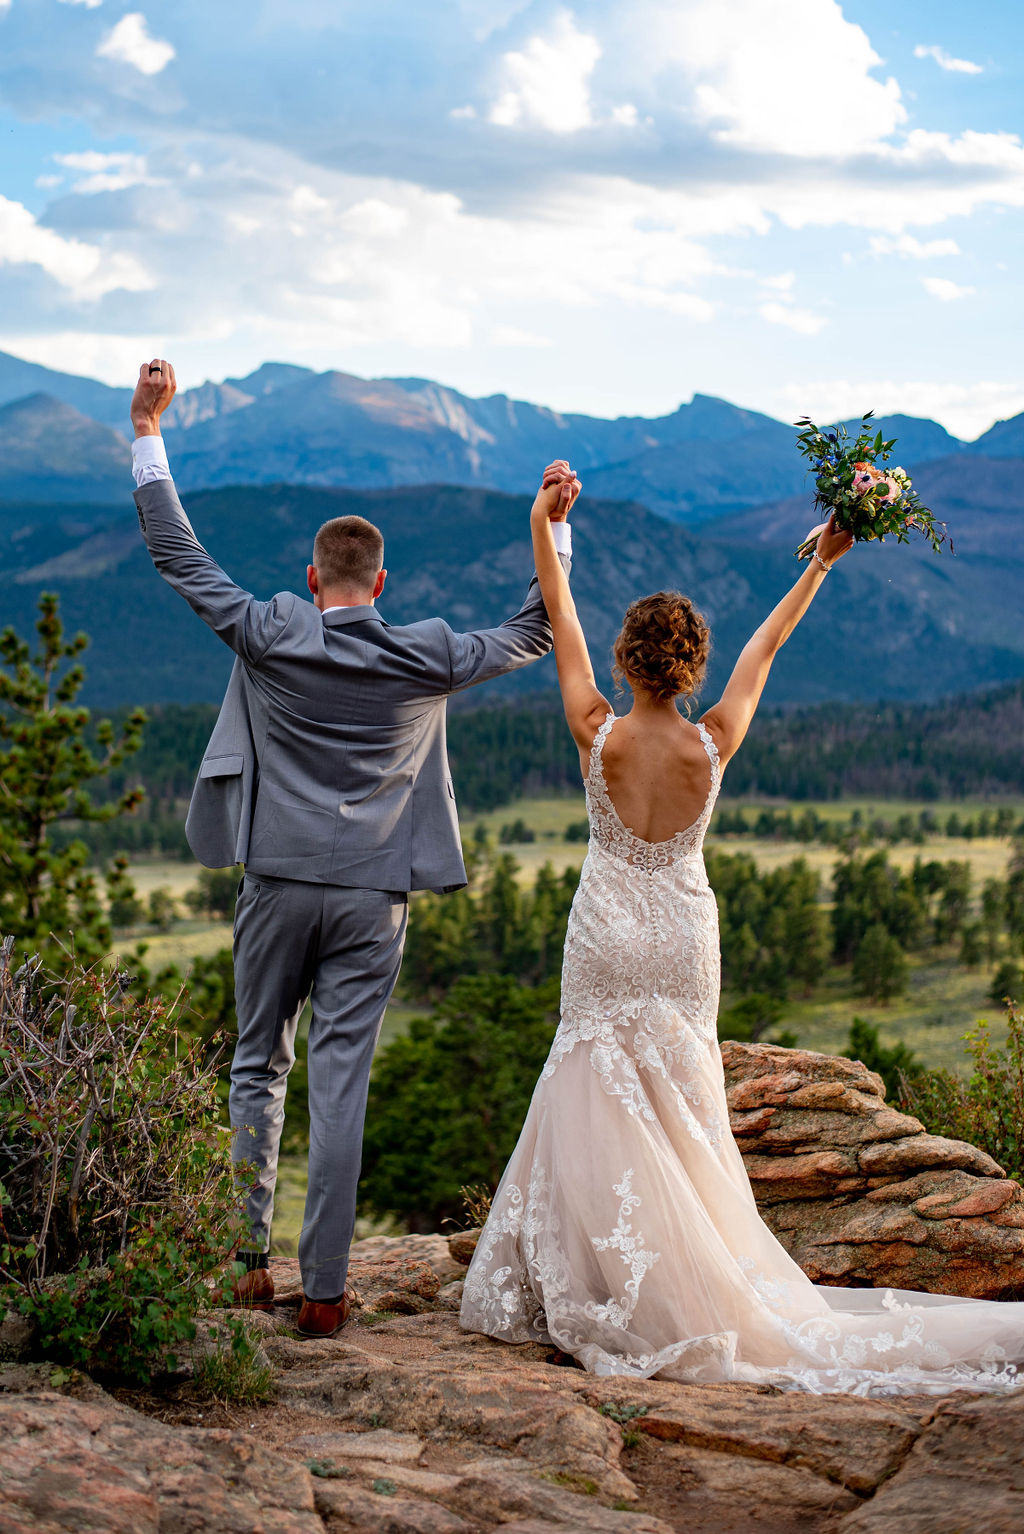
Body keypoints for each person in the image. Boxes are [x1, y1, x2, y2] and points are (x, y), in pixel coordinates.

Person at [461, 473, 1024, 1395]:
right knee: (685, 1110)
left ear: (630, 661)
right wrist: (824, 563)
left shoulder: (593, 731)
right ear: (689, 668)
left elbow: (557, 616)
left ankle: (603, 1278)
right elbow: (769, 644)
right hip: (681, 932)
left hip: (606, 927)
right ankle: (697, 1280)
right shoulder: (714, 739)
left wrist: (545, 528)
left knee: (589, 1081)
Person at [128, 360, 576, 1338]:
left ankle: (248, 1266)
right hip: (375, 897)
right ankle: (326, 1293)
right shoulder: (425, 651)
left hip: (277, 881)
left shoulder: (266, 630)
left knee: (257, 1067)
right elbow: (536, 629)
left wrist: (148, 426)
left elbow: (174, 549)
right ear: (379, 583)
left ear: (311, 579)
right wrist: (550, 523)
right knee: (341, 1086)